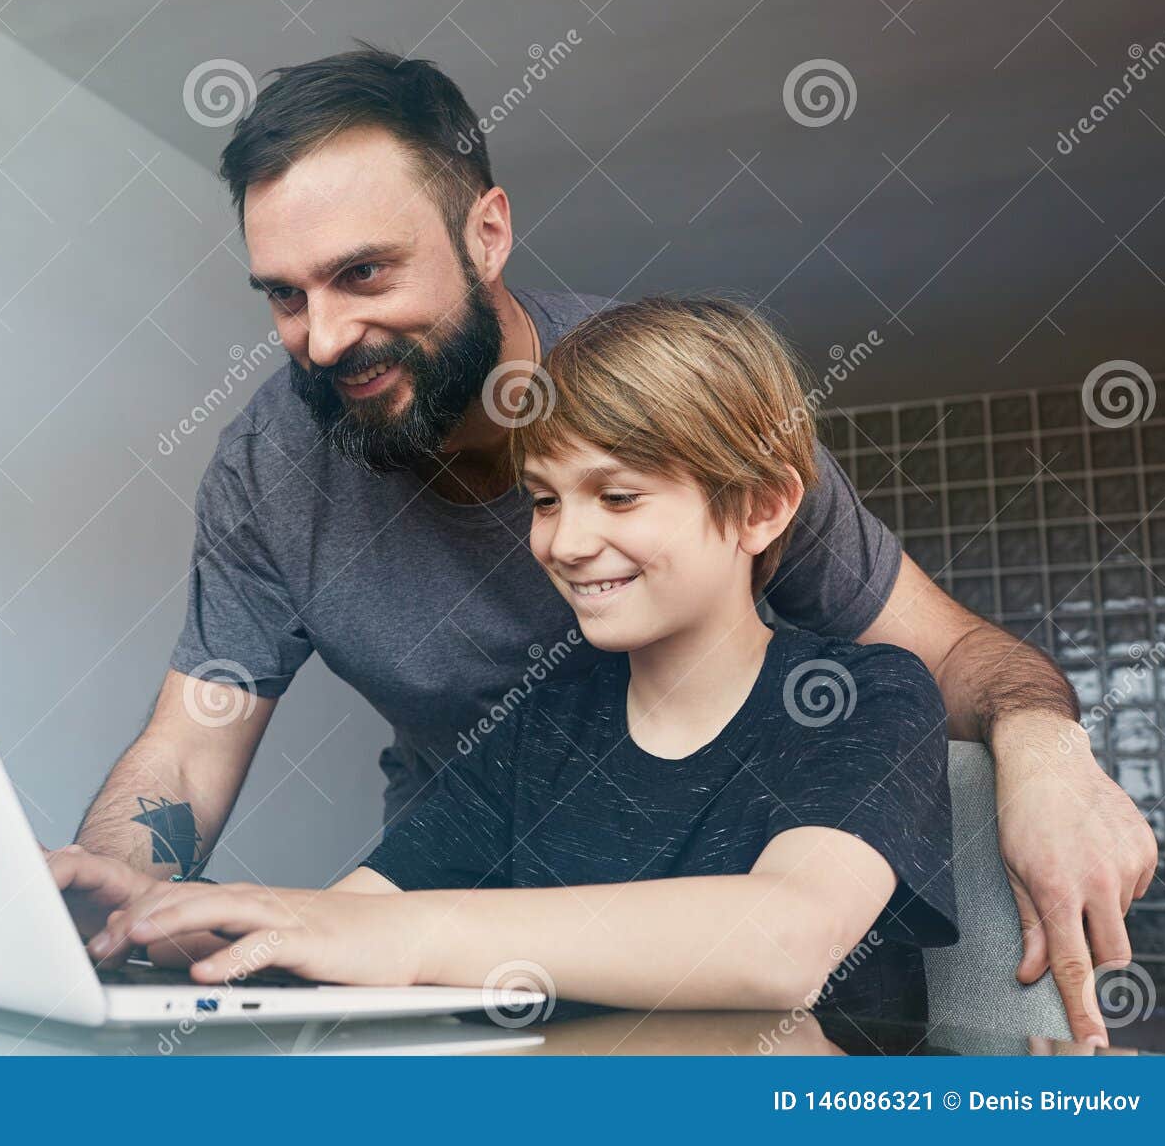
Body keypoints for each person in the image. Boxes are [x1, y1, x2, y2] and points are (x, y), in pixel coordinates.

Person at [70, 42, 1156, 1043]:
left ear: (485, 232)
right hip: (503, 966)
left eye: (363, 274)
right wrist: (141, 909)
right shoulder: (506, 705)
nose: (322, 337)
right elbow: (196, 747)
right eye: (283, 296)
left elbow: (791, 922)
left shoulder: (693, 418)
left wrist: (1045, 750)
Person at [51, 296, 959, 1022]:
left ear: (761, 507)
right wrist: (157, 920)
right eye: (546, 500)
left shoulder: (863, 696)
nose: (566, 541)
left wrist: (403, 936)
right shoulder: (539, 723)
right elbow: (347, 918)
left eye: (619, 494)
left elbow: (783, 941)